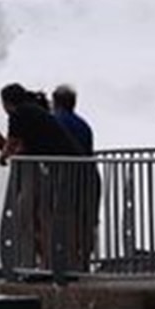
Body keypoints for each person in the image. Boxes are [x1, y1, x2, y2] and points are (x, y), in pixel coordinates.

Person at [0, 83, 83, 273]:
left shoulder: (19, 114)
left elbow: (14, 145)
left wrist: (1, 154)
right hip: (66, 167)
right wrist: (2, 144)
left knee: (36, 215)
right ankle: (51, 262)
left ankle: (48, 263)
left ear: (6, 103)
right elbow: (24, 149)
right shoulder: (33, 111)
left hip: (60, 168)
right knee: (44, 215)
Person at [51, 85, 100, 272]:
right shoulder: (84, 124)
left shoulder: (56, 121)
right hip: (89, 174)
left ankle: (71, 262)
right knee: (86, 220)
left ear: (56, 102)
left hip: (68, 177)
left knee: (68, 219)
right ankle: (84, 263)